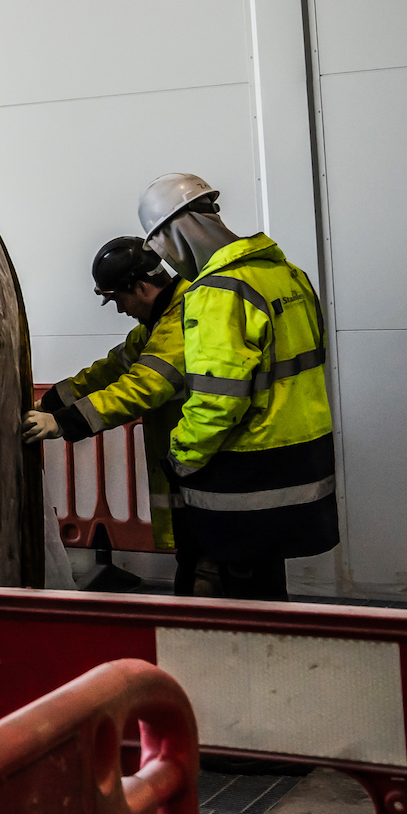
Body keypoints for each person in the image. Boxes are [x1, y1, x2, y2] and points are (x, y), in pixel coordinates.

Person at [135, 172, 337, 599]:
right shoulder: (287, 275)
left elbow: (217, 401)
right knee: (267, 590)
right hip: (304, 462)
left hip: (245, 475)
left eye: (162, 248)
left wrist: (180, 455)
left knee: (219, 596)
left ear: (173, 233)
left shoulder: (216, 292)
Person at [24, 237, 187, 586]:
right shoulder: (157, 326)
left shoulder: (181, 323)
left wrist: (61, 423)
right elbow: (110, 370)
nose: (119, 310)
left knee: (210, 574)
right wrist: (49, 403)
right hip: (194, 467)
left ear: (141, 287)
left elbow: (142, 386)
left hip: (209, 470)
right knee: (197, 566)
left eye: (117, 299)